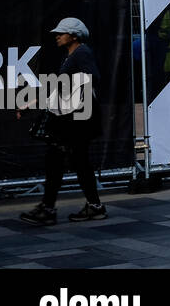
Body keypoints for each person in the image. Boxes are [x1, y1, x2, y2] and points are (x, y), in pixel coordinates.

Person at [19, 18, 107, 226]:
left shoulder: (82, 53)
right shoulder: (70, 56)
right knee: (73, 161)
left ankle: (50, 209)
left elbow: (92, 78)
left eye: (62, 33)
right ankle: (92, 207)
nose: (57, 36)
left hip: (77, 120)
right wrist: (32, 102)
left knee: (61, 160)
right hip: (73, 119)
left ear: (74, 36)